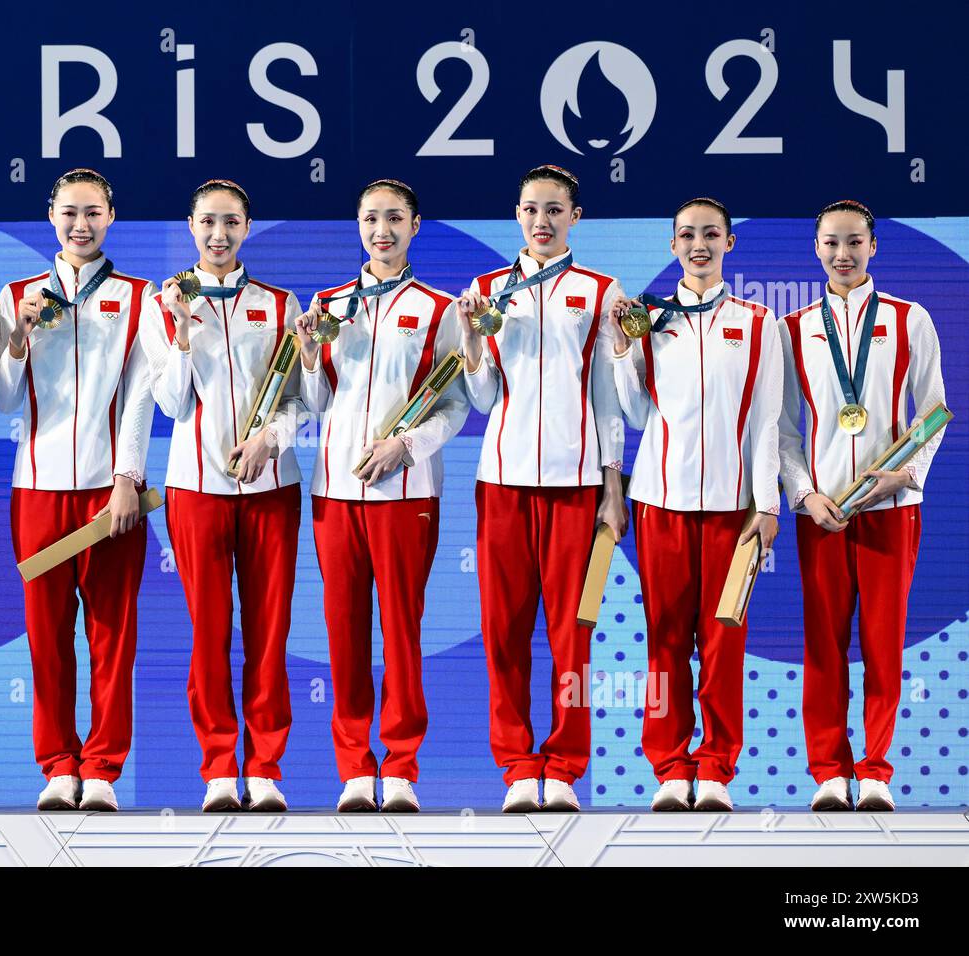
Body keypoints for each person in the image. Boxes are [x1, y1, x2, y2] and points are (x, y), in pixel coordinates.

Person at [455, 165, 627, 813]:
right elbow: (478, 395)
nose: (542, 221)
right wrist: (471, 336)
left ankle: (564, 766)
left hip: (578, 486)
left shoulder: (604, 292)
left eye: (555, 209)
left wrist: (613, 484)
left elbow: (610, 398)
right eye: (531, 209)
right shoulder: (487, 290)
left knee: (571, 634)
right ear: (517, 214)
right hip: (501, 484)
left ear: (576, 217)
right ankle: (518, 767)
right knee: (502, 630)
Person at [294, 179, 467, 813]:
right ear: (358, 226)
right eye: (371, 219)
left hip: (408, 491)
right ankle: (353, 770)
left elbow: (457, 405)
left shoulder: (439, 307)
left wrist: (409, 447)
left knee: (402, 632)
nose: (382, 230)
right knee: (344, 633)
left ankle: (399, 766)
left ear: (415, 226)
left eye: (395, 218)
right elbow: (313, 402)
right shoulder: (328, 304)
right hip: (336, 492)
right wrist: (310, 355)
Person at [610, 197, 783, 812]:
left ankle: (715, 768)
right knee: (663, 638)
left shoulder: (761, 323)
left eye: (711, 234)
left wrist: (767, 504)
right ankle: (669, 768)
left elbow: (768, 421)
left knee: (722, 641)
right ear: (673, 245)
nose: (699, 244)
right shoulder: (649, 320)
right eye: (687, 235)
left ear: (730, 244)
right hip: (660, 502)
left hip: (734, 508)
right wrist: (624, 351)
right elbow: (633, 412)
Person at [0, 169, 154, 812]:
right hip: (36, 489)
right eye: (68, 213)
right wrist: (17, 337)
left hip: (109, 492)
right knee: (46, 634)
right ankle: (58, 764)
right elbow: (3, 397)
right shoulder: (18, 295)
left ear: (111, 216)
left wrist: (128, 479)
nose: (80, 224)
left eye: (92, 212)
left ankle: (105, 769)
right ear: (50, 216)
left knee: (114, 634)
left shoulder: (139, 298)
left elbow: (141, 396)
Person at [140, 179, 303, 813]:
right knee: (209, 632)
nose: (219, 234)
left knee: (269, 631)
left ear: (247, 226)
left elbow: (301, 399)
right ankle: (217, 769)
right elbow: (172, 401)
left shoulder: (281, 304)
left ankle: (264, 768)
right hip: (195, 490)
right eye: (208, 222)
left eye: (231, 222)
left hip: (271, 488)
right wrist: (182, 330)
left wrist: (272, 436)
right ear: (190, 227)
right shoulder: (164, 305)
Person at [779, 200, 945, 813]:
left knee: (883, 641)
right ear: (815, 249)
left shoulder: (909, 320)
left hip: (890, 508)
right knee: (823, 643)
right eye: (831, 243)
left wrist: (905, 477)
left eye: (854, 243)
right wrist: (804, 494)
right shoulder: (792, 329)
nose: (842, 255)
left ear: (874, 247)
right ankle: (828, 770)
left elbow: (934, 412)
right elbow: (782, 429)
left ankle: (875, 770)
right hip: (822, 513)